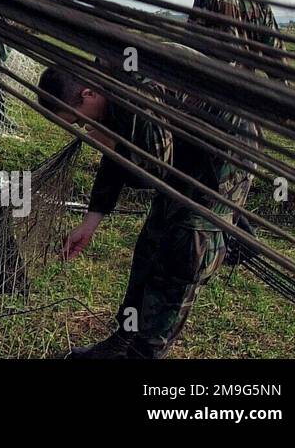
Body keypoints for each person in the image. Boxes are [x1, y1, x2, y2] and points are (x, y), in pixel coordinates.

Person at [38, 64, 257, 358]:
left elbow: (154, 169)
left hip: (222, 157)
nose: (82, 128)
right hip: (184, 146)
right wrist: (89, 224)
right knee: (151, 245)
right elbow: (117, 158)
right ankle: (123, 339)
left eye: (78, 120)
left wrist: (114, 144)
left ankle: (145, 351)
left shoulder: (134, 93)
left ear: (88, 94)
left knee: (184, 249)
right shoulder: (107, 87)